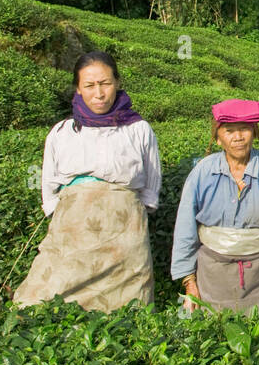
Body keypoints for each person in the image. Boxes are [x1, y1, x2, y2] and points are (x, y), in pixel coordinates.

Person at [14, 51, 160, 312]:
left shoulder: (138, 129)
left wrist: (134, 218)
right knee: (42, 300)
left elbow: (151, 183)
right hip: (72, 236)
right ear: (78, 89)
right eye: (90, 86)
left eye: (105, 83)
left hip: (125, 235)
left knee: (127, 309)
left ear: (117, 82)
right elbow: (49, 188)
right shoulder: (62, 132)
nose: (99, 93)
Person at [171, 99, 259, 318]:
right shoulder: (203, 172)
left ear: (254, 133)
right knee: (209, 339)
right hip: (210, 277)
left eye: (245, 129)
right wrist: (189, 282)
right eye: (230, 131)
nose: (238, 137)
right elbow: (185, 229)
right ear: (218, 137)